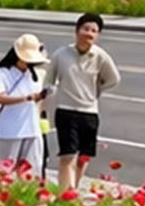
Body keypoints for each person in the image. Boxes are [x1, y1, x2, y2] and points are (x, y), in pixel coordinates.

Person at [44, 12, 122, 193]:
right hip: (66, 110)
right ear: (77, 30)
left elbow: (113, 79)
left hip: (89, 112)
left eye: (94, 31)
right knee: (67, 156)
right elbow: (48, 79)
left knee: (83, 158)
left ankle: (74, 190)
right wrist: (48, 95)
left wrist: (97, 91)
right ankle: (65, 193)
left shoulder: (100, 56)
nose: (89, 34)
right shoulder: (61, 54)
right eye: (86, 29)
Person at [0, 33, 49, 177]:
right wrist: (25, 98)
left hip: (32, 128)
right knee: (6, 171)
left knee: (31, 171)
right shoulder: (3, 73)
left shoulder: (33, 74)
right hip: (12, 128)